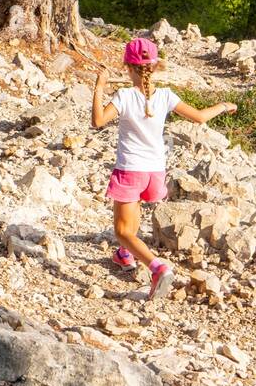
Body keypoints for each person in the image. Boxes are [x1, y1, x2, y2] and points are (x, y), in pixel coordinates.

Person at [92, 37, 237, 301]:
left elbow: (98, 120)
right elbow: (201, 117)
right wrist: (225, 106)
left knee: (122, 231)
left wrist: (99, 87)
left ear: (128, 67)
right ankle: (126, 255)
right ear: (156, 66)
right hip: (156, 173)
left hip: (130, 169)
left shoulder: (124, 96)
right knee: (132, 211)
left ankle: (158, 267)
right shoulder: (167, 96)